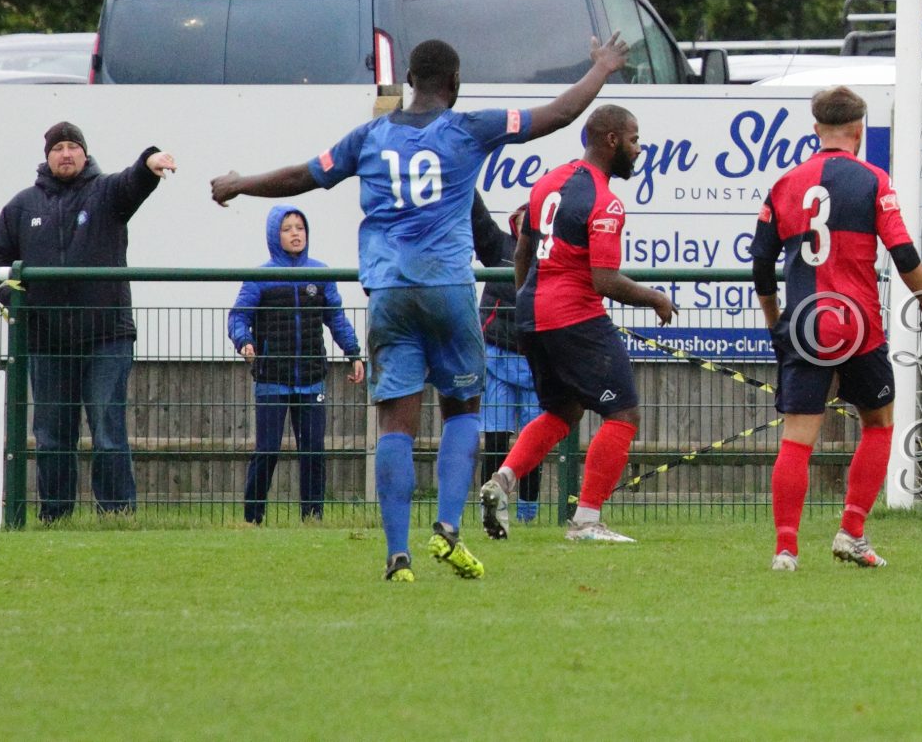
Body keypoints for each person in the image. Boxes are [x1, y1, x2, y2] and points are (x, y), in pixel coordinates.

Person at [211, 33, 627, 582]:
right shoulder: (468, 127)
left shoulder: (370, 136)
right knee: (463, 410)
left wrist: (239, 183)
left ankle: (397, 552)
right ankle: (449, 529)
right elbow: (558, 114)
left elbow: (303, 176)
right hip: (448, 290)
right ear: (454, 84)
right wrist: (600, 68)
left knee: (396, 426)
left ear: (408, 81)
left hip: (389, 292)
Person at [754, 85, 922, 572]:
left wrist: (777, 322)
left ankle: (785, 551)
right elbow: (902, 252)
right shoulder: (874, 180)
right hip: (858, 325)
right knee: (878, 424)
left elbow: (760, 264)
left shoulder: (786, 184)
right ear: (859, 130)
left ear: (816, 131)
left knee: (797, 438)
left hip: (805, 325)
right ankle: (851, 532)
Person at [477, 105, 676, 544]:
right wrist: (655, 298)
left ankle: (502, 482)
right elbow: (603, 280)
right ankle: (586, 521)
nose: (638, 150)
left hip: (531, 316)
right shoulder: (604, 201)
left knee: (562, 412)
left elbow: (523, 251)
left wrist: (530, 299)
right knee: (622, 413)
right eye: (634, 139)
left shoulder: (547, 182)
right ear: (611, 140)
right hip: (574, 314)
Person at [0, 122, 176, 520]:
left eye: (73, 147)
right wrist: (20, 304)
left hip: (107, 336)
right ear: (47, 156)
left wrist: (148, 162)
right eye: (58, 148)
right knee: (52, 437)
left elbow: (131, 183)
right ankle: (55, 517)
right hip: (47, 340)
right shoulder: (21, 207)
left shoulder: (106, 193)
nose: (66, 154)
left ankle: (117, 516)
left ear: (85, 154)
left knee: (107, 432)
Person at [227, 206, 364, 523]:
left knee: (314, 451)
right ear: (275, 235)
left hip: (312, 379)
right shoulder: (260, 277)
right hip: (271, 378)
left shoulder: (321, 273)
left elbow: (336, 318)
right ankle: (253, 518)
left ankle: (313, 517)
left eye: (299, 227)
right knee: (268, 451)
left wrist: (354, 353)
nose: (295, 233)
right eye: (287, 228)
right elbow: (238, 316)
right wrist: (243, 340)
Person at [476, 203, 544, 525]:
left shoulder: (550, 256)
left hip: (536, 363)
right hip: (497, 357)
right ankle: (489, 508)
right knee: (496, 439)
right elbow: (478, 220)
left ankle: (528, 515)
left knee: (533, 443)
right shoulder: (497, 246)